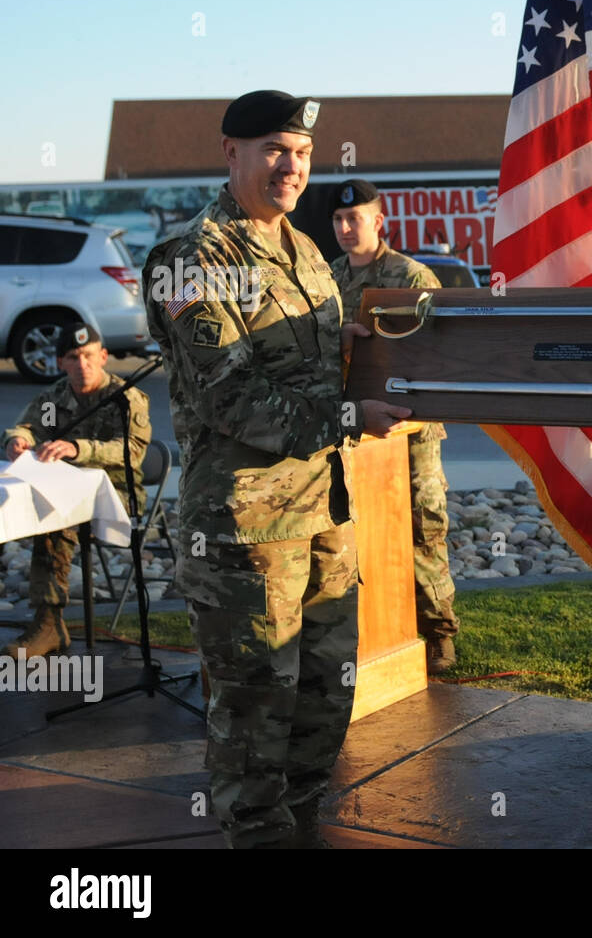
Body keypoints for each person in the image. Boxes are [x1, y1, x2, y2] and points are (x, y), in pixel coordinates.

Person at [142, 90, 411, 849]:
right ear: (230, 152)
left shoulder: (303, 253)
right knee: (257, 716)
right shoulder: (194, 259)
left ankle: (299, 827)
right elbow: (233, 398)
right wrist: (352, 417)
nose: (291, 165)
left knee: (324, 701)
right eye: (273, 149)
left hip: (322, 516)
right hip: (246, 538)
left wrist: (365, 355)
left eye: (301, 152)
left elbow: (314, 368)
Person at [329, 178, 460, 674]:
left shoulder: (409, 276)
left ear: (378, 221)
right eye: (338, 220)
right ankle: (376, 632)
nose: (345, 228)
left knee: (423, 526)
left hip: (411, 426)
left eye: (354, 218)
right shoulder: (327, 277)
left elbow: (436, 350)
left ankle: (438, 632)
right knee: (360, 532)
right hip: (353, 428)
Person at [1, 324, 150, 659]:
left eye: (88, 355)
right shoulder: (56, 396)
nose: (82, 364)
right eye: (73, 357)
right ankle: (48, 621)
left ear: (103, 356)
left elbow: (131, 450)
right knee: (27, 509)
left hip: (117, 495)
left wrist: (77, 448)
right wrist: (17, 440)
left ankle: (48, 624)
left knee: (56, 520)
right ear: (60, 362)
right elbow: (27, 424)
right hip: (66, 493)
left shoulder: (126, 398)